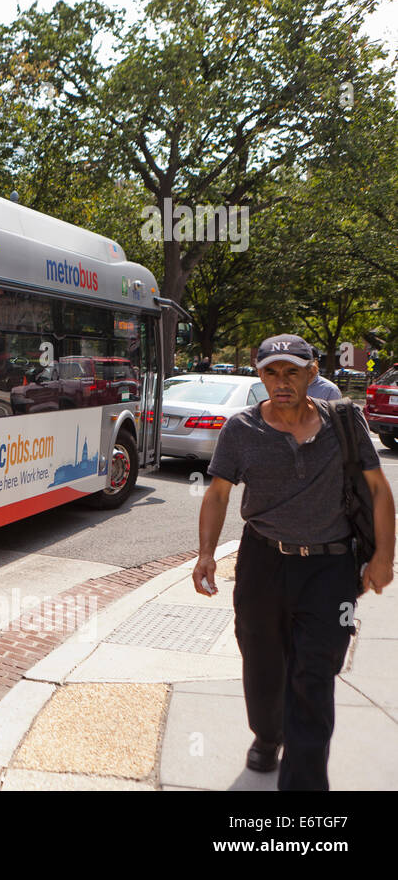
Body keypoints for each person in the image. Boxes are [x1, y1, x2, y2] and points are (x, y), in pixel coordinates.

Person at [194, 334, 394, 790]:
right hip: (263, 563)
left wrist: (384, 556)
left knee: (314, 673)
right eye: (270, 372)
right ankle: (267, 736)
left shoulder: (344, 421)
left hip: (330, 568)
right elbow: (218, 492)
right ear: (259, 373)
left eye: (291, 371)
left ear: (312, 371)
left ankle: (303, 786)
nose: (280, 382)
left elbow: (380, 489)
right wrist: (206, 553)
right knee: (262, 662)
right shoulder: (242, 429)